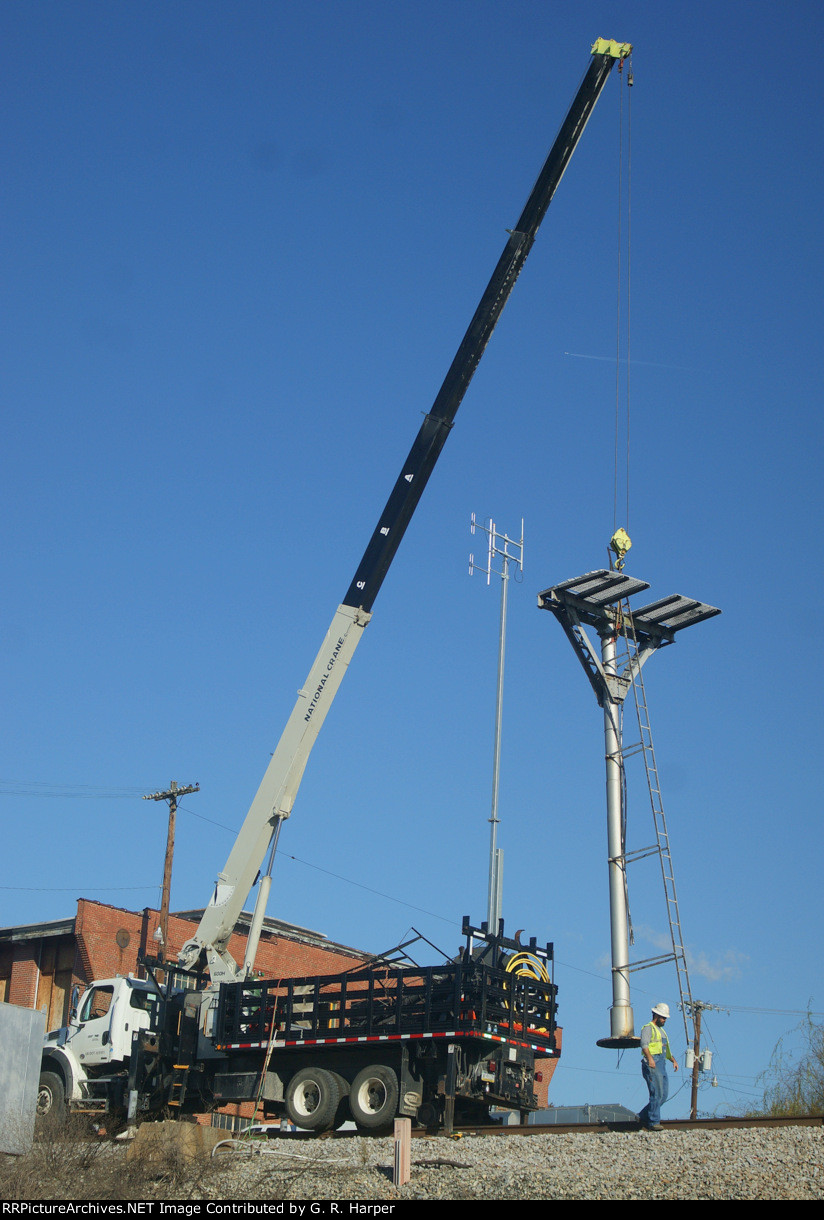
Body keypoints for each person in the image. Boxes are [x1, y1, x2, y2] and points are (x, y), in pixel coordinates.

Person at [638, 1002, 679, 1130]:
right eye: (663, 1017)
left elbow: (665, 1050)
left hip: (661, 1063)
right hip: (653, 1063)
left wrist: (673, 1060)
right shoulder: (648, 1028)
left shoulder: (661, 1032)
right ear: (656, 1015)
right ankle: (653, 1122)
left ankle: (642, 1116)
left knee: (663, 1095)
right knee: (656, 1094)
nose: (665, 1020)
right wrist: (650, 1059)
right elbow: (644, 1045)